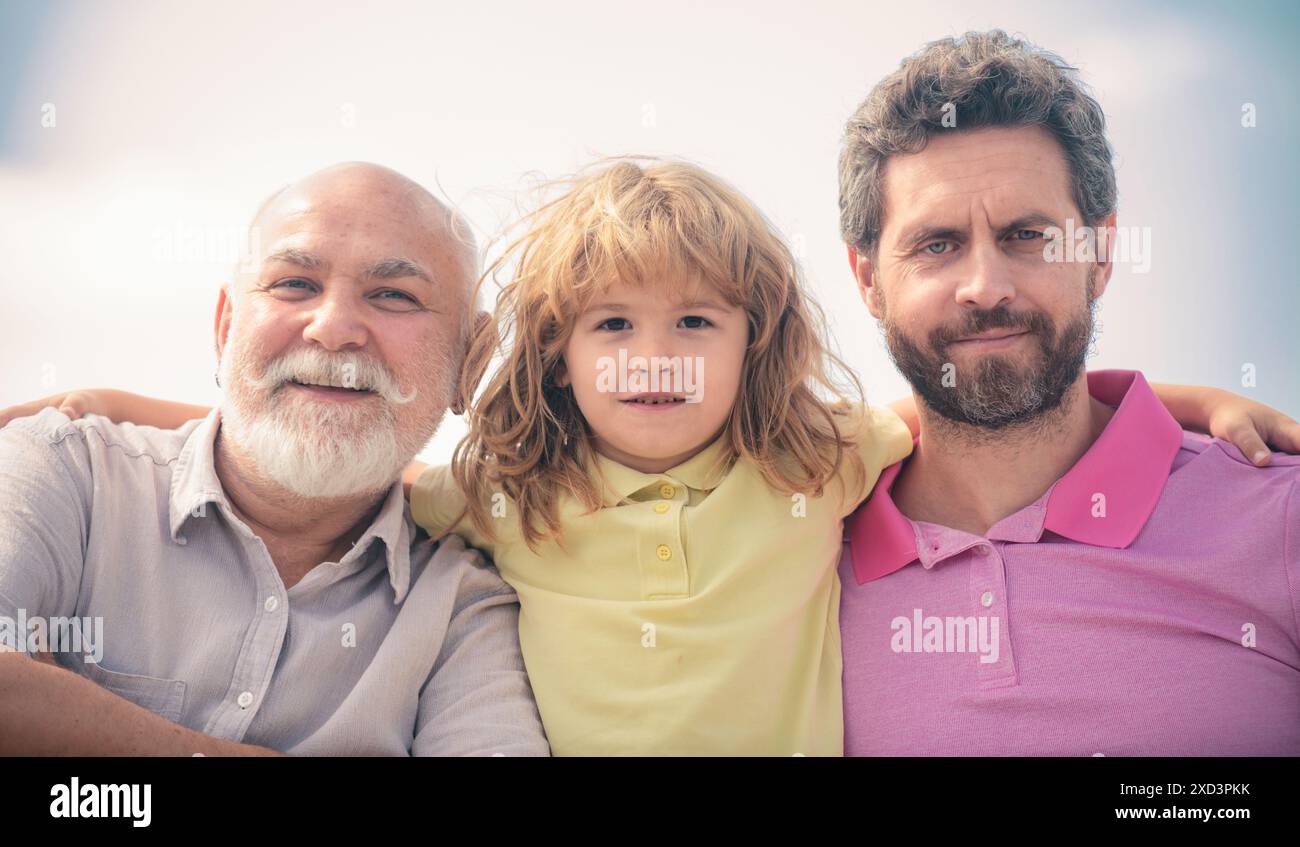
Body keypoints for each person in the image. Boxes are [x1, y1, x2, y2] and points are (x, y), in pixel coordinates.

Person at [16, 156, 1295, 756]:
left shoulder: (817, 457)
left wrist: (1165, 397)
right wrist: (112, 400)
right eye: (610, 326)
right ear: (556, 354)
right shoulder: (512, 496)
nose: (654, 355)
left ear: (759, 343)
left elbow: (984, 406)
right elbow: (343, 450)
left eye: (697, 323)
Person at [835, 30, 1300, 755]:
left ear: (1102, 253)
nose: (985, 286)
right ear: (867, 279)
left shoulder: (1282, 513)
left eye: (1028, 235)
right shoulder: (796, 549)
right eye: (937, 244)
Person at [0, 162, 549, 756]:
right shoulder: (64, 472)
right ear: (226, 325)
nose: (334, 328)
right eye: (294, 283)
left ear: (471, 360)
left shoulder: (464, 609)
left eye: (394, 295)